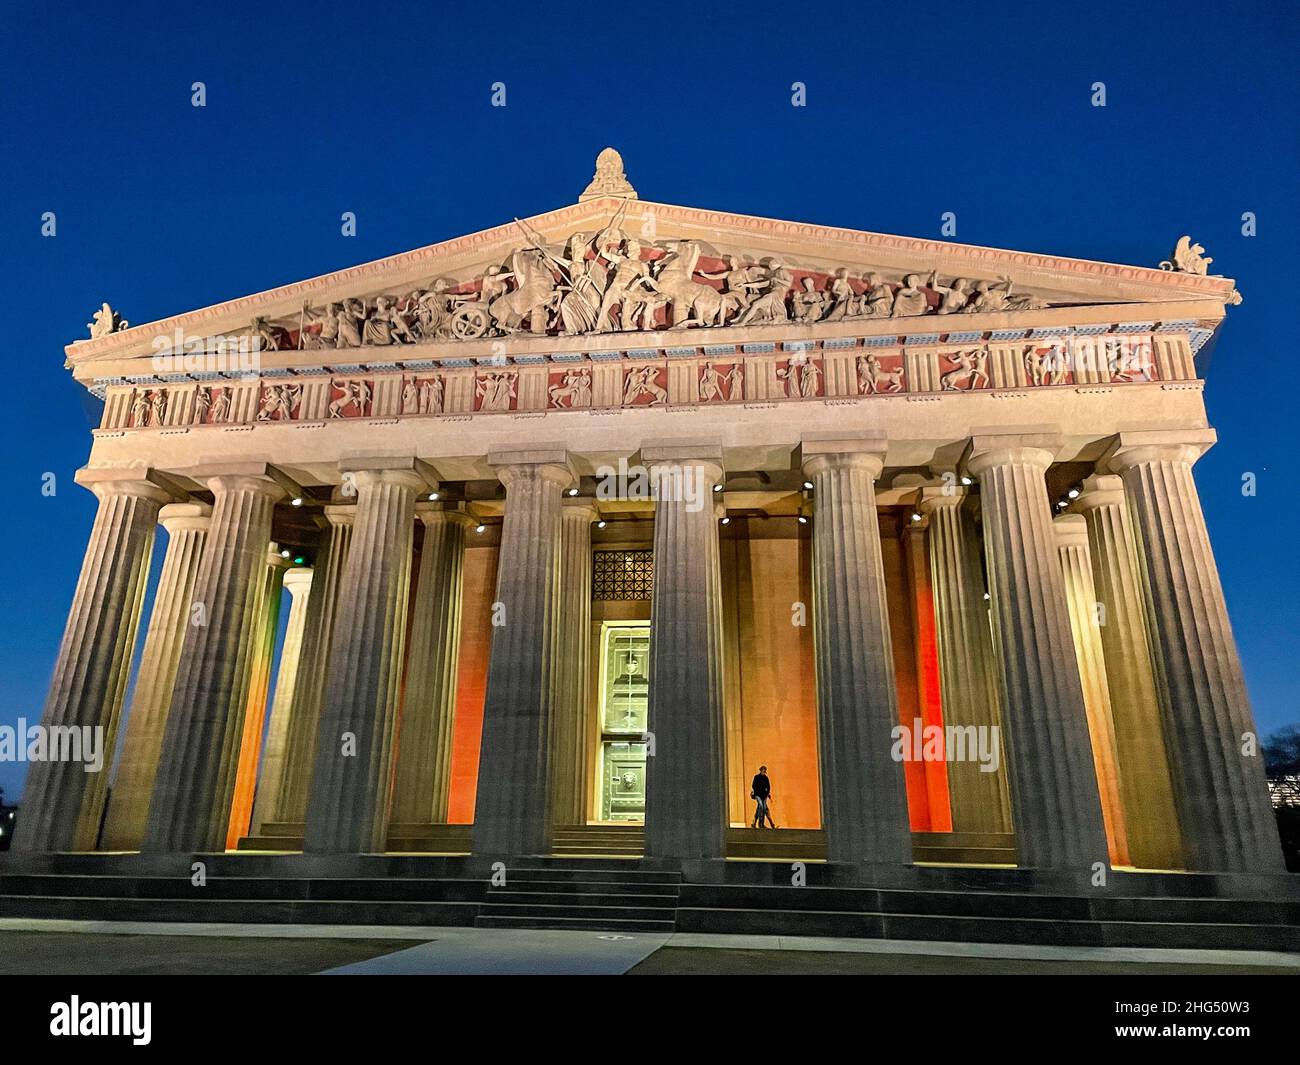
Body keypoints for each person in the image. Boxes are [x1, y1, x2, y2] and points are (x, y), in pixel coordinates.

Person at [750, 765, 777, 829]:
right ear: (760, 771)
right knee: (762, 807)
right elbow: (753, 785)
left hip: (764, 796)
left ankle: (755, 823)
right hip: (758, 795)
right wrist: (756, 792)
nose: (764, 772)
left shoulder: (766, 778)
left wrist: (767, 793)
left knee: (762, 808)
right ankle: (761, 823)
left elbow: (768, 787)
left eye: (764, 771)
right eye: (763, 771)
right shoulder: (756, 777)